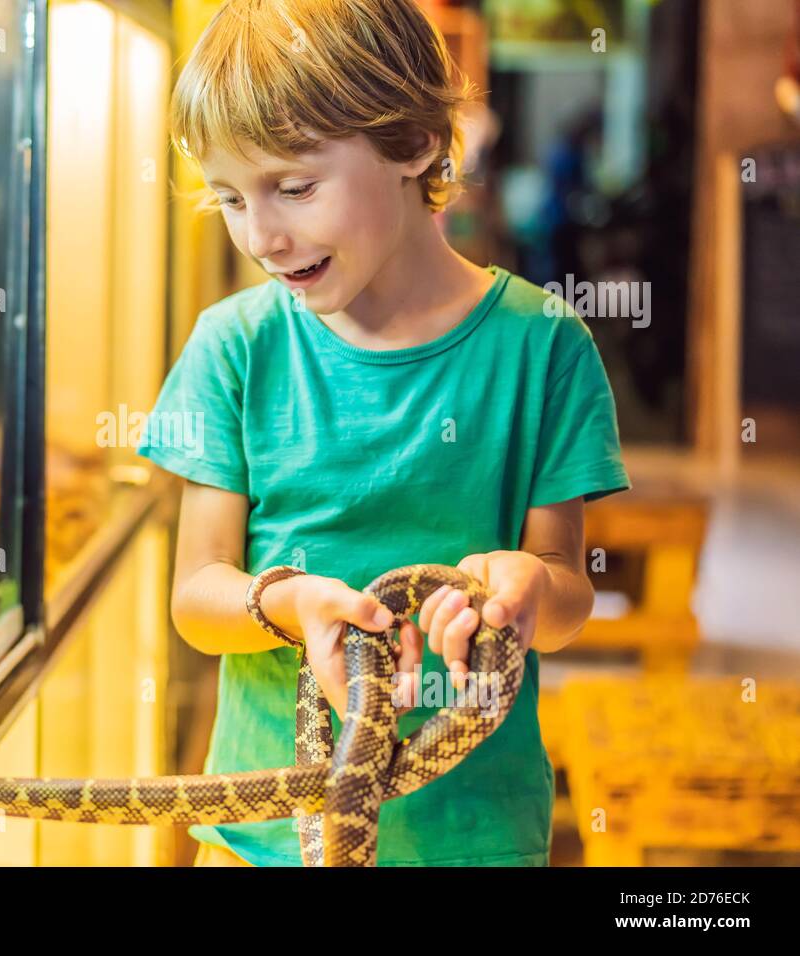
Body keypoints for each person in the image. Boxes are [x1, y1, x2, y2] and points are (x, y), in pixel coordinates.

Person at [137, 0, 629, 867]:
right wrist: (283, 603)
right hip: (262, 842)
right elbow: (195, 599)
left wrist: (527, 590)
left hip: (473, 837)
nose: (262, 234)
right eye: (229, 198)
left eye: (293, 186)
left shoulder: (545, 346)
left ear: (411, 143)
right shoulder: (233, 346)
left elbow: (565, 600)